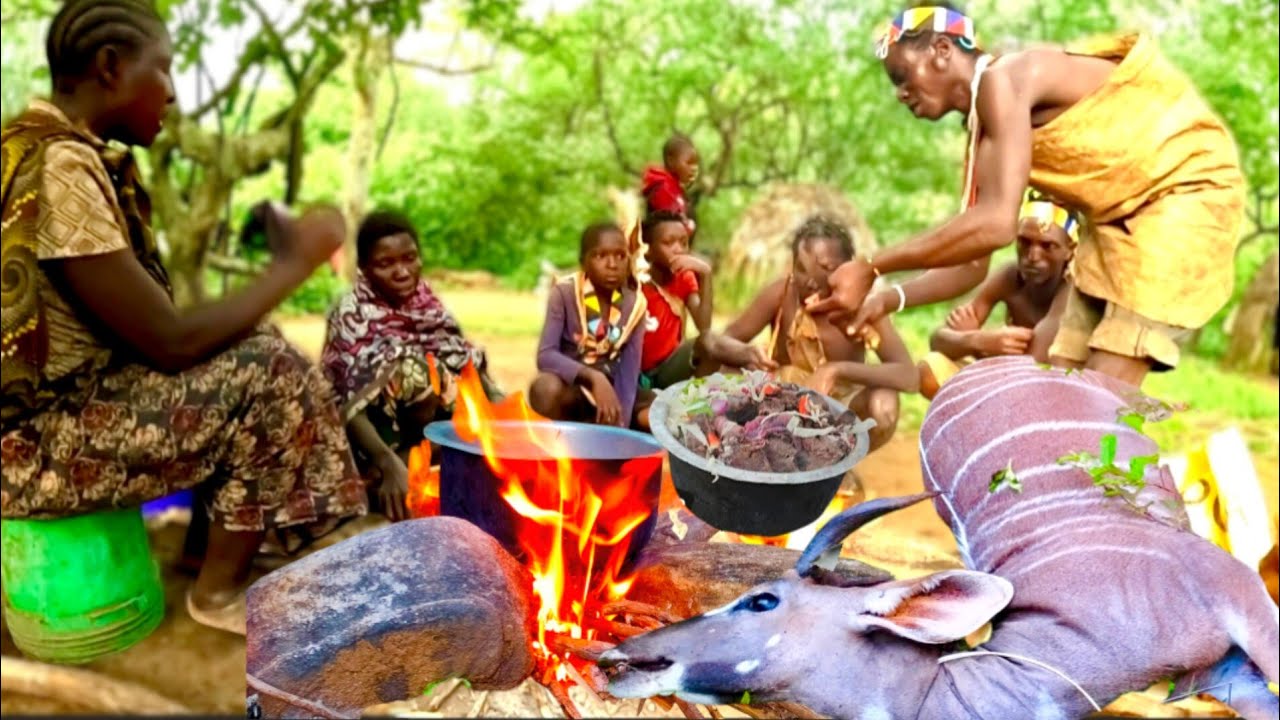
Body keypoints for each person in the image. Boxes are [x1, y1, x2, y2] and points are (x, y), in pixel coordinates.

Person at [0, 0, 366, 636]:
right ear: (110, 67)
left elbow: (154, 327)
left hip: (39, 425)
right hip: (30, 450)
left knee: (257, 348)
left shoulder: (32, 147)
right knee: (268, 371)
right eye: (164, 71)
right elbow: (169, 342)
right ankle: (220, 592)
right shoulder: (60, 166)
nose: (171, 95)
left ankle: (274, 541)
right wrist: (294, 264)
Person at [809, 2, 1245, 389]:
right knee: (1058, 377)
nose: (900, 92)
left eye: (903, 75)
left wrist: (871, 266)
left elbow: (997, 225)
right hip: (1119, 223)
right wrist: (886, 298)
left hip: (1184, 197)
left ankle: (1112, 474)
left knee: (1099, 401)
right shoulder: (985, 134)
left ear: (942, 50)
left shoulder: (1006, 78)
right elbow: (970, 264)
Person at [321, 211, 500, 522]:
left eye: (410, 258)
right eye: (386, 264)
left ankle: (418, 465)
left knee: (478, 399)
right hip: (368, 443)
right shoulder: (352, 314)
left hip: (425, 436)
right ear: (364, 268)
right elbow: (348, 409)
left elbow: (468, 368)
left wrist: (510, 424)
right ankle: (384, 476)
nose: (402, 272)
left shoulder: (427, 304)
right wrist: (386, 462)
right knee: (416, 373)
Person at [724, 216, 917, 452]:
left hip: (839, 408)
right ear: (792, 265)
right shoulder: (783, 294)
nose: (812, 282)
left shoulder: (864, 307)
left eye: (827, 269)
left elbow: (909, 377)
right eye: (802, 269)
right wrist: (749, 356)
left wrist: (835, 371)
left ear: (849, 271)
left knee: (884, 403)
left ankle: (838, 466)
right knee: (728, 369)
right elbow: (726, 340)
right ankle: (755, 452)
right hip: (780, 400)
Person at [919, 191, 1076, 397]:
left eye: (1048, 246)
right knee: (929, 371)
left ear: (1070, 250)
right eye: (1025, 242)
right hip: (1003, 380)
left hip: (1049, 393)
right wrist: (977, 341)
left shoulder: (1070, 290)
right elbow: (938, 340)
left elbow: (1033, 367)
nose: (1033, 256)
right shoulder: (1010, 276)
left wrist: (978, 346)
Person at [631, 211, 776, 431]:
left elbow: (704, 326)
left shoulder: (683, 278)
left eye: (683, 242)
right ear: (648, 250)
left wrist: (706, 274)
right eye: (668, 243)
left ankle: (699, 397)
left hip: (669, 367)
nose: (678, 249)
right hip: (637, 374)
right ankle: (677, 410)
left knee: (707, 341)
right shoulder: (635, 281)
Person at [530, 222, 647, 428]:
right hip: (573, 387)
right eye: (600, 256)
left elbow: (628, 375)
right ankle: (559, 450)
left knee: (661, 413)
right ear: (583, 262)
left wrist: (620, 429)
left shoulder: (634, 304)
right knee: (544, 388)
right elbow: (545, 356)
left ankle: (626, 446)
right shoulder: (565, 293)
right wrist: (593, 377)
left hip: (613, 391)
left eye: (620, 256)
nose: (612, 264)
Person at [641, 134, 700, 232]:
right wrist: (689, 225)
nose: (694, 168)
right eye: (689, 163)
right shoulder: (664, 189)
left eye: (695, 164)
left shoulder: (675, 188)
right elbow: (672, 224)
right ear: (671, 161)